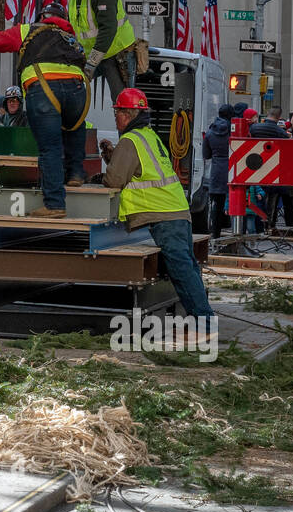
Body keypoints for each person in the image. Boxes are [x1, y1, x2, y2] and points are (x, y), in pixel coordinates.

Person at [91, 88, 216, 334]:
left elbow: (115, 181)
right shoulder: (148, 135)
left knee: (181, 268)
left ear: (127, 114)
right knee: (187, 266)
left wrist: (99, 179)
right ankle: (203, 317)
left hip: (162, 213)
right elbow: (138, 168)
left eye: (117, 112)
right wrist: (111, 155)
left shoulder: (130, 140)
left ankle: (205, 321)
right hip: (175, 209)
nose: (115, 117)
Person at [0, 3, 92, 219]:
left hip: (44, 87)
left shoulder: (28, 30)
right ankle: (75, 172)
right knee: (75, 126)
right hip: (78, 90)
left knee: (50, 148)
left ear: (42, 17)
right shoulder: (70, 38)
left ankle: (54, 204)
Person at [58, 0, 137, 98]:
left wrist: (91, 64)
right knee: (70, 89)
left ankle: (132, 121)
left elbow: (108, 29)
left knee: (123, 101)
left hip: (116, 53)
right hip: (92, 54)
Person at [250, 106, 293, 233]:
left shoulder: (255, 128)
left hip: (256, 167)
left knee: (258, 198)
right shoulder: (280, 132)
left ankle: (257, 225)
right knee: (272, 200)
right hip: (274, 170)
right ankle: (269, 224)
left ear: (267, 114)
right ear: (278, 117)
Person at [203, 103, 233, 237]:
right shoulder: (233, 131)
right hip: (232, 169)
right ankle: (237, 231)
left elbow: (206, 155)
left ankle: (215, 234)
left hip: (216, 171)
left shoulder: (210, 133)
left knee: (217, 205)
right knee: (237, 201)